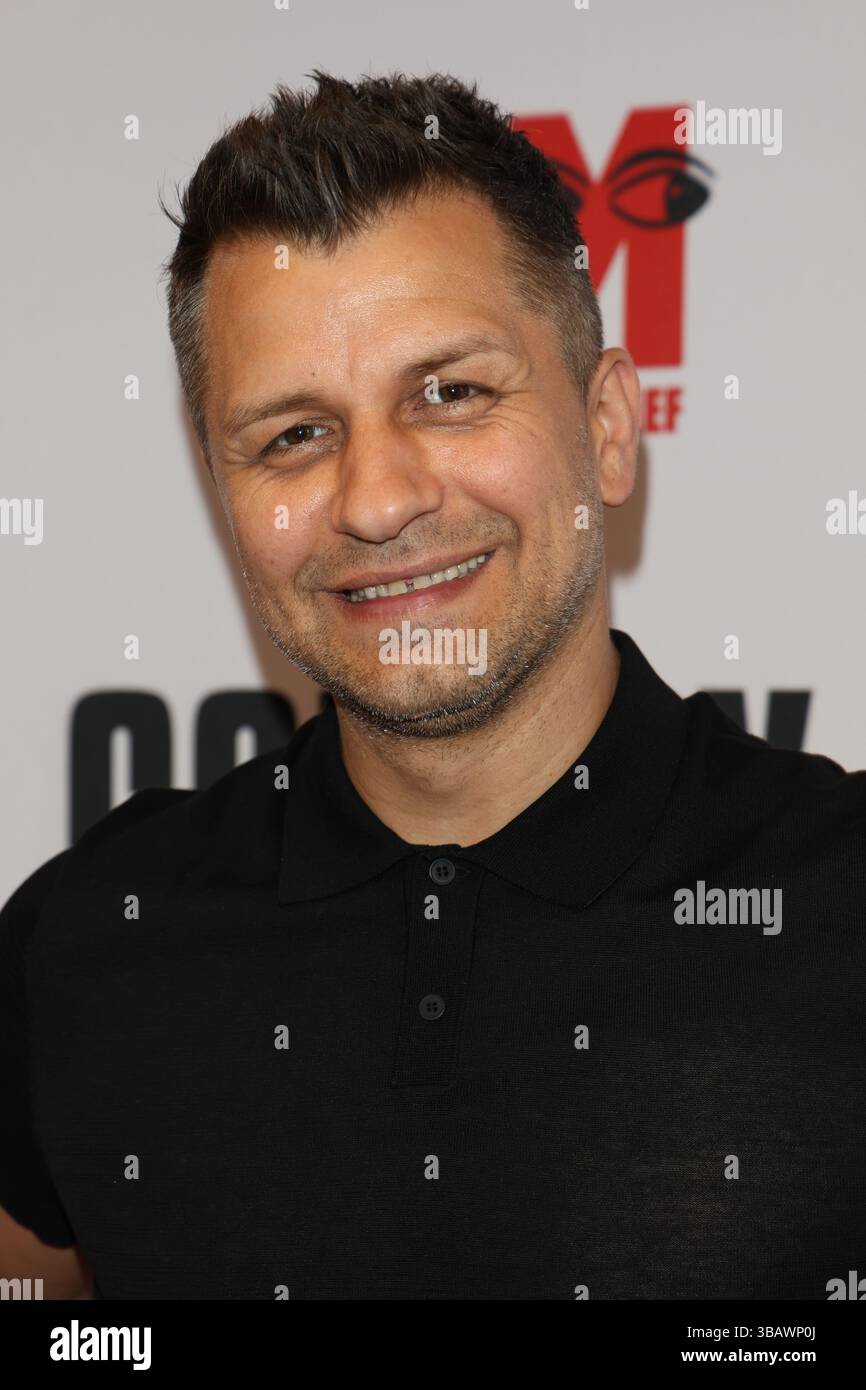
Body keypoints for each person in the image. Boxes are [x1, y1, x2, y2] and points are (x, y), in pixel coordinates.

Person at [1, 71, 863, 1301]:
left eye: (449, 393)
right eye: (293, 432)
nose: (376, 498)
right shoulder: (87, 936)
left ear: (608, 428)